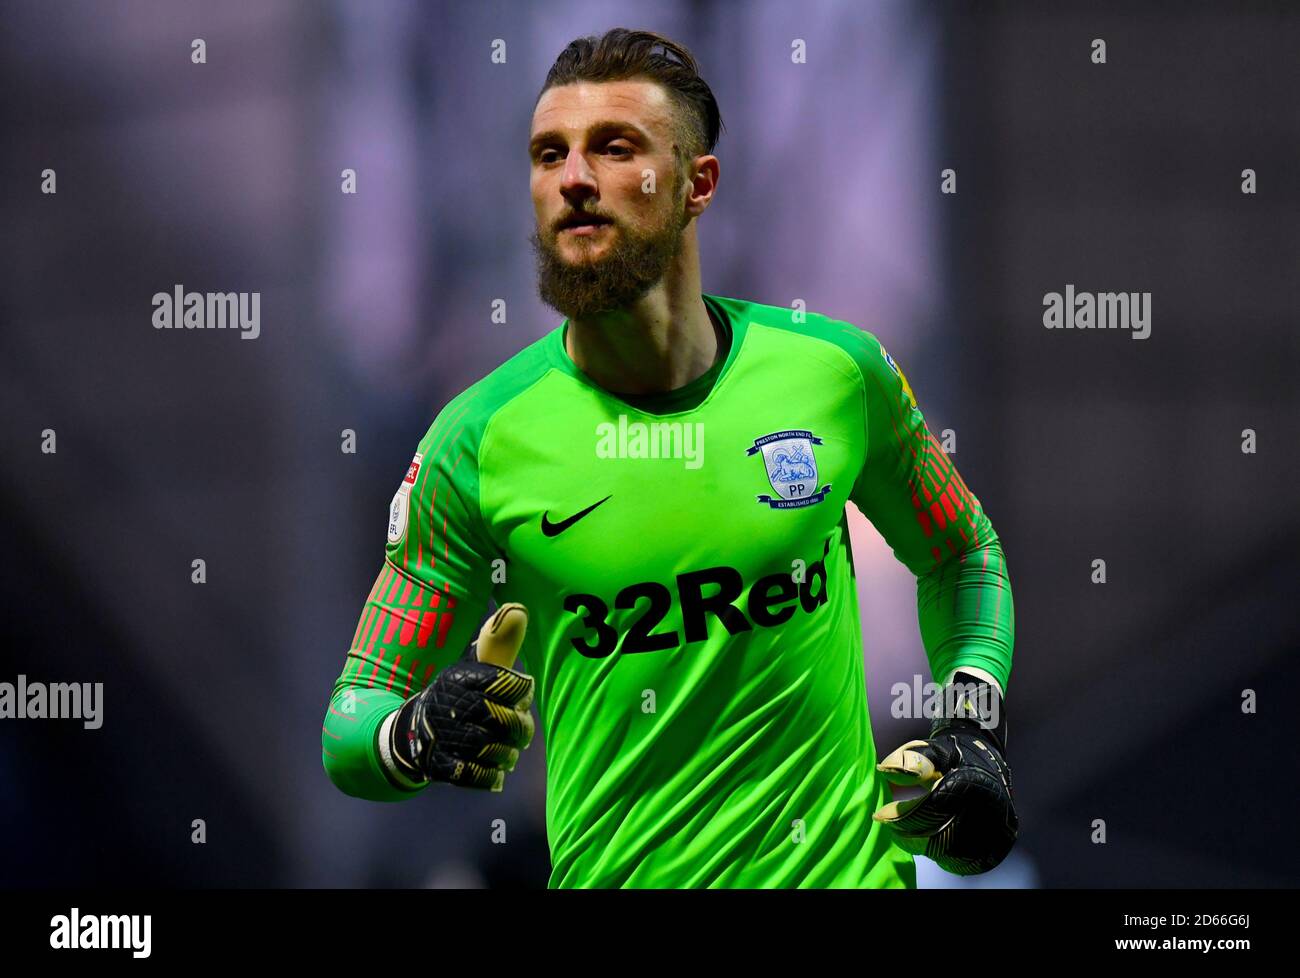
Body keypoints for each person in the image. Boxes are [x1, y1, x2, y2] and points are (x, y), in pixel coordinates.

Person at [321, 27, 1017, 888]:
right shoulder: (477, 441)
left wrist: (973, 723)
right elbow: (352, 722)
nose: (574, 179)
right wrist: (415, 734)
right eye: (549, 154)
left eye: (615, 149)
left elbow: (960, 550)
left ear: (697, 184)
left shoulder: (837, 374)